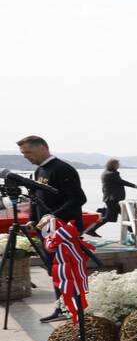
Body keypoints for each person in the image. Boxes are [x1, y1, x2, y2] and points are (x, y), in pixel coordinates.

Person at [15, 135, 87, 321]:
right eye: (23, 153)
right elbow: (36, 199)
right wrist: (33, 219)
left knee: (65, 271)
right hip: (47, 230)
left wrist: (52, 216)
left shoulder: (62, 169)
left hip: (64, 230)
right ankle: (62, 307)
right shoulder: (39, 171)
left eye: (28, 152)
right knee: (54, 270)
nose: (26, 156)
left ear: (43, 148)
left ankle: (72, 309)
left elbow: (78, 199)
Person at [85, 158, 137, 237]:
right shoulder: (111, 174)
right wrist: (133, 185)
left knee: (126, 217)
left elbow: (105, 188)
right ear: (113, 165)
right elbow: (121, 182)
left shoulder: (106, 173)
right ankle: (90, 230)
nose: (119, 165)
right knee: (110, 217)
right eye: (117, 164)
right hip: (114, 199)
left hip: (112, 199)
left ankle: (134, 234)